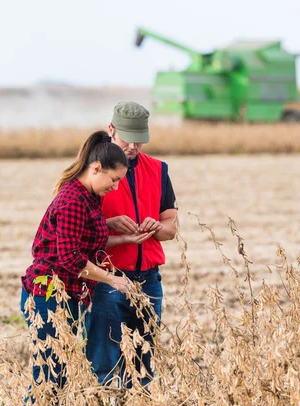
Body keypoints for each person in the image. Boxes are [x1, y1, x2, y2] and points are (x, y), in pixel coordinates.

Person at [20, 130, 134, 402]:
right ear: (96, 168)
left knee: (58, 376)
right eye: (114, 179)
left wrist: (114, 230)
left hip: (65, 295)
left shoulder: (90, 196)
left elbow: (82, 237)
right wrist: (111, 279)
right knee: (47, 377)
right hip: (47, 296)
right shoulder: (72, 199)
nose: (115, 187)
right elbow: (71, 257)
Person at [86, 101, 178, 387]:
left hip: (149, 279)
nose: (134, 147)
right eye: (128, 139)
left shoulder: (159, 170)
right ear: (111, 130)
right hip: (107, 279)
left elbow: (171, 229)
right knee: (102, 363)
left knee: (143, 364)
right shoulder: (94, 170)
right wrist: (112, 227)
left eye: (140, 140)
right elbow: (81, 235)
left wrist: (156, 228)